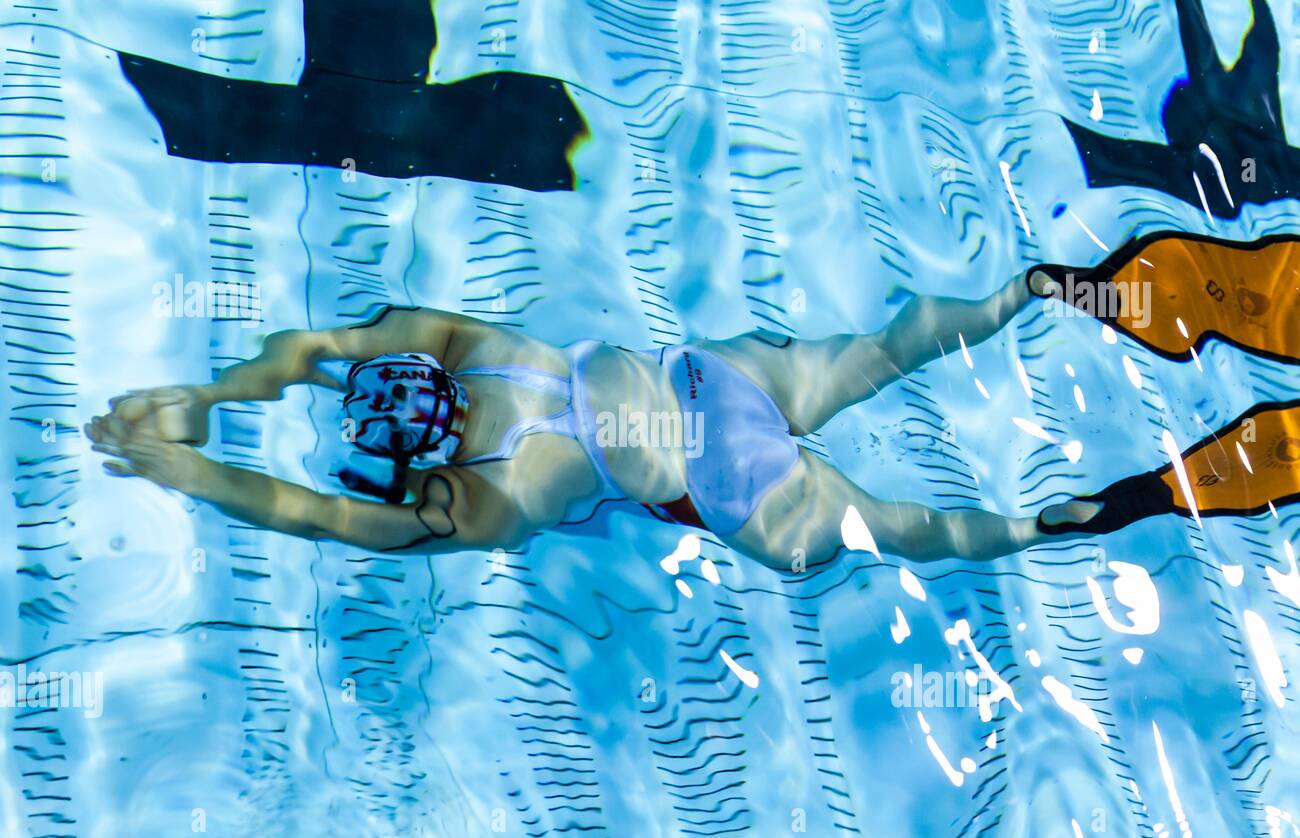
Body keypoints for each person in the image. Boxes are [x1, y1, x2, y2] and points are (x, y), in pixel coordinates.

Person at [86, 231, 1300, 570]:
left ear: (425, 458)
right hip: (714, 378)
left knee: (922, 532)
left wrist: (186, 468)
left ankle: (1047, 521)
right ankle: (1032, 291)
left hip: (723, 487)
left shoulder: (476, 502)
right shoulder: (460, 341)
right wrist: (208, 392)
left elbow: (320, 517)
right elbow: (314, 347)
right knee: (885, 348)